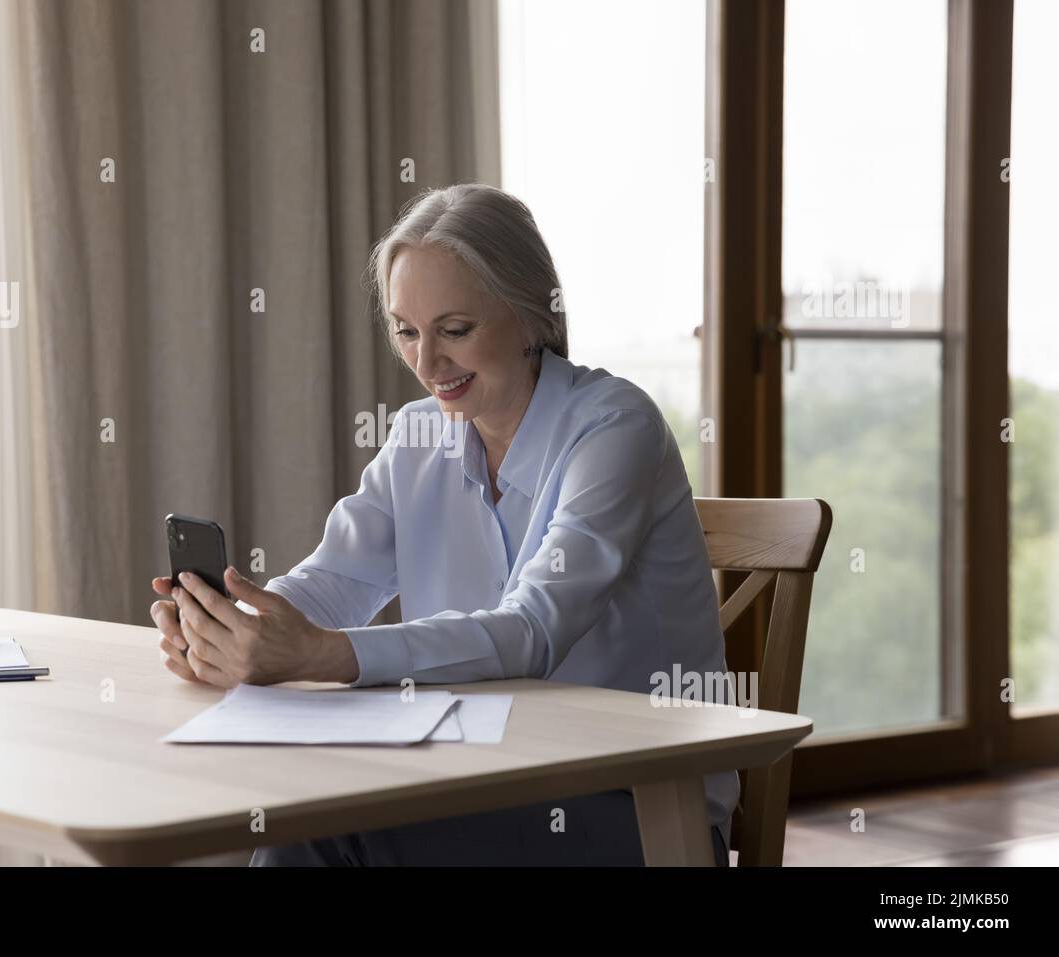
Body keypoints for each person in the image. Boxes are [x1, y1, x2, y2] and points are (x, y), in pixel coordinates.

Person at [150, 183, 737, 865]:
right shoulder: (417, 434)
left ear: (529, 315)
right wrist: (237, 626)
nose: (427, 364)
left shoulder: (614, 426)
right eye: (407, 330)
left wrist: (321, 654)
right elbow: (333, 582)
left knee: (320, 828)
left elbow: (533, 631)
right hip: (473, 779)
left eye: (455, 330)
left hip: (639, 808)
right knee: (301, 816)